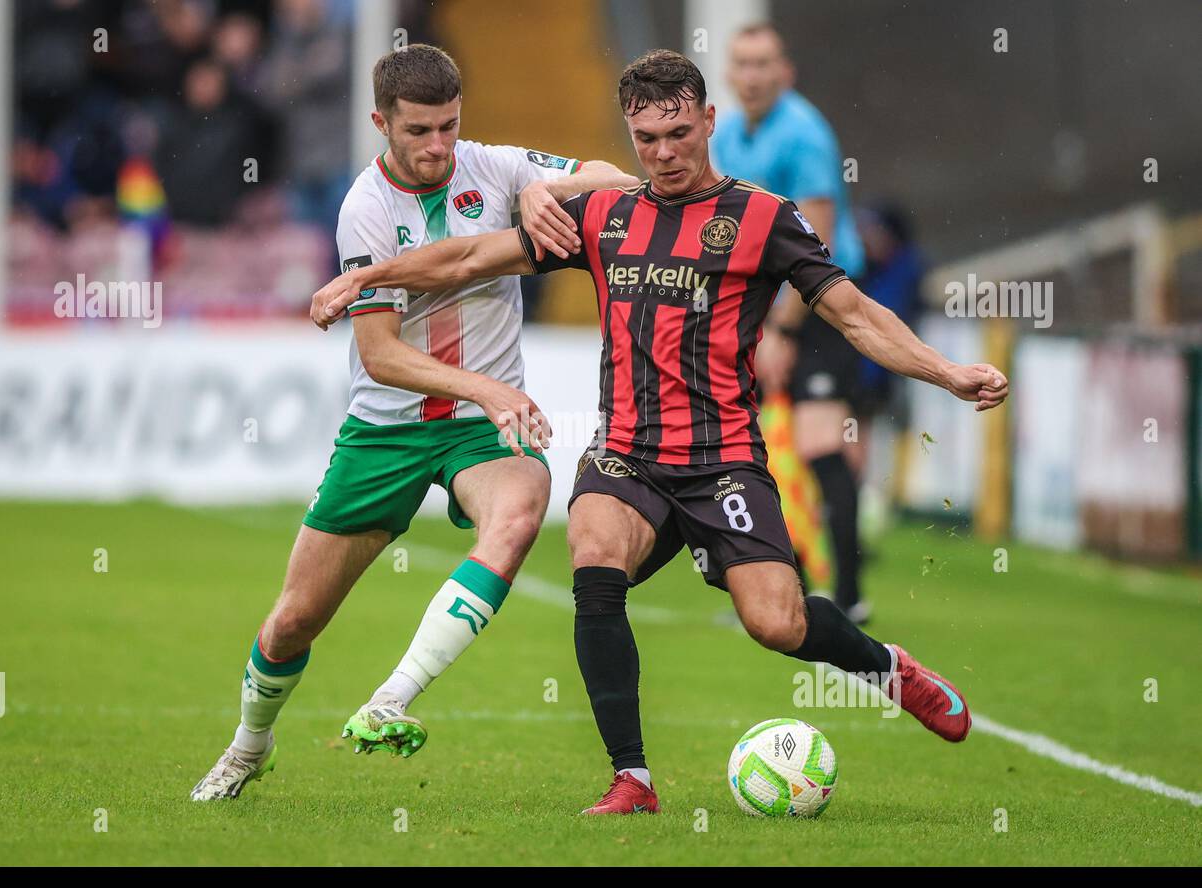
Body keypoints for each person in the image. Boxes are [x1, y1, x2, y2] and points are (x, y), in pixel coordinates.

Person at [310, 50, 1008, 815]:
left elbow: (854, 314)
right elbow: (473, 255)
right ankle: (632, 779)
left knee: (777, 622)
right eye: (645, 138)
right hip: (627, 454)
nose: (663, 153)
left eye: (678, 133)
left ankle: (888, 669)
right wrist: (366, 277)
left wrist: (946, 372)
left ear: (707, 121)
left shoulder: (764, 219)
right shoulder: (605, 216)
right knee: (593, 558)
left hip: (722, 460)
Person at [190, 43, 636, 801]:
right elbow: (381, 354)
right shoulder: (364, 208)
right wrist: (488, 390)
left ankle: (392, 695)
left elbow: (615, 179)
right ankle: (248, 745)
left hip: (476, 431)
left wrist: (551, 194)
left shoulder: (492, 166)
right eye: (420, 132)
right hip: (386, 431)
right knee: (294, 622)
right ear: (380, 123)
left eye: (449, 128)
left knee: (522, 511)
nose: (438, 148)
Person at [711, 23, 870, 621]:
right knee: (754, 448)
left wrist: (782, 330)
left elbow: (819, 249)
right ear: (731, 72)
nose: (752, 76)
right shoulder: (726, 133)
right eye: (743, 64)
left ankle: (851, 594)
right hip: (763, 309)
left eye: (764, 64)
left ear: (786, 73)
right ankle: (785, 586)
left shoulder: (804, 134)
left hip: (823, 308)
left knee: (822, 442)